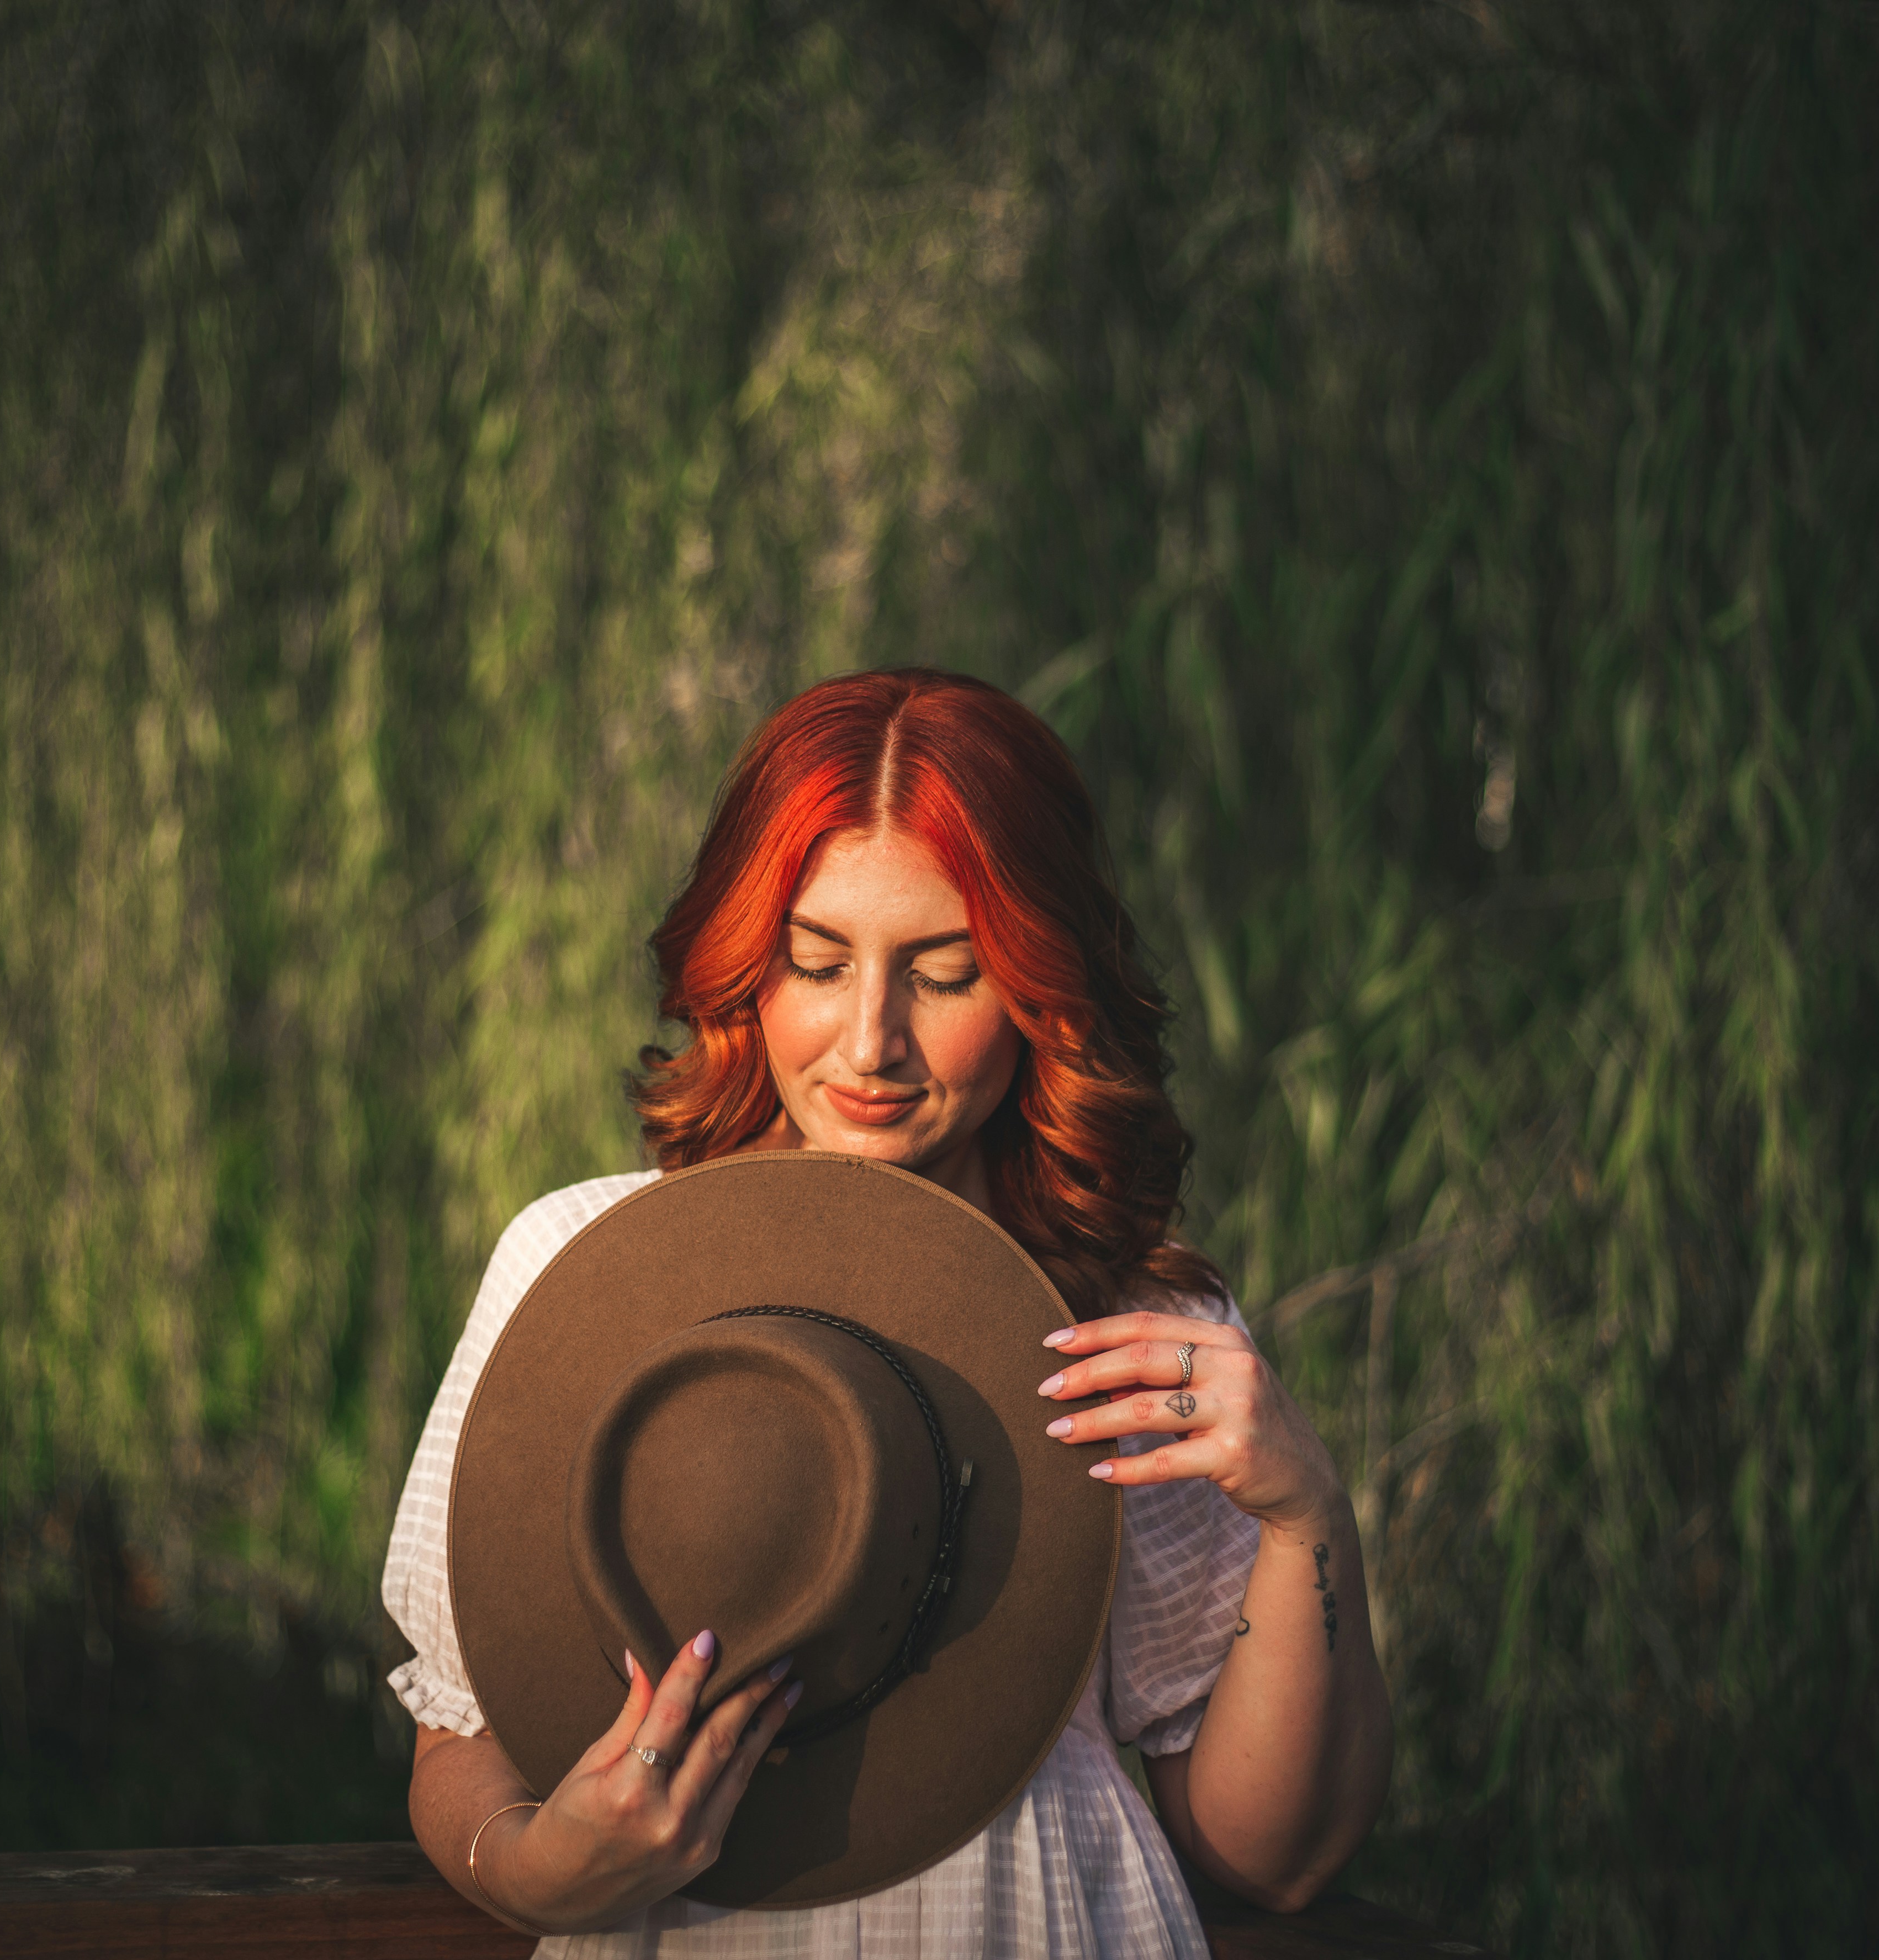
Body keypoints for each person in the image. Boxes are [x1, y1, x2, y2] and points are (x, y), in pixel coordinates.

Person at [382, 668, 1392, 1956]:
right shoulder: (578, 1266)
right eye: (816, 961)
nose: (870, 1040)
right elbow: (459, 1732)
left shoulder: (1126, 1320)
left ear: (1037, 985)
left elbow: (1274, 1856)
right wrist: (535, 1869)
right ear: (747, 966)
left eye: (946, 971)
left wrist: (1305, 1517)